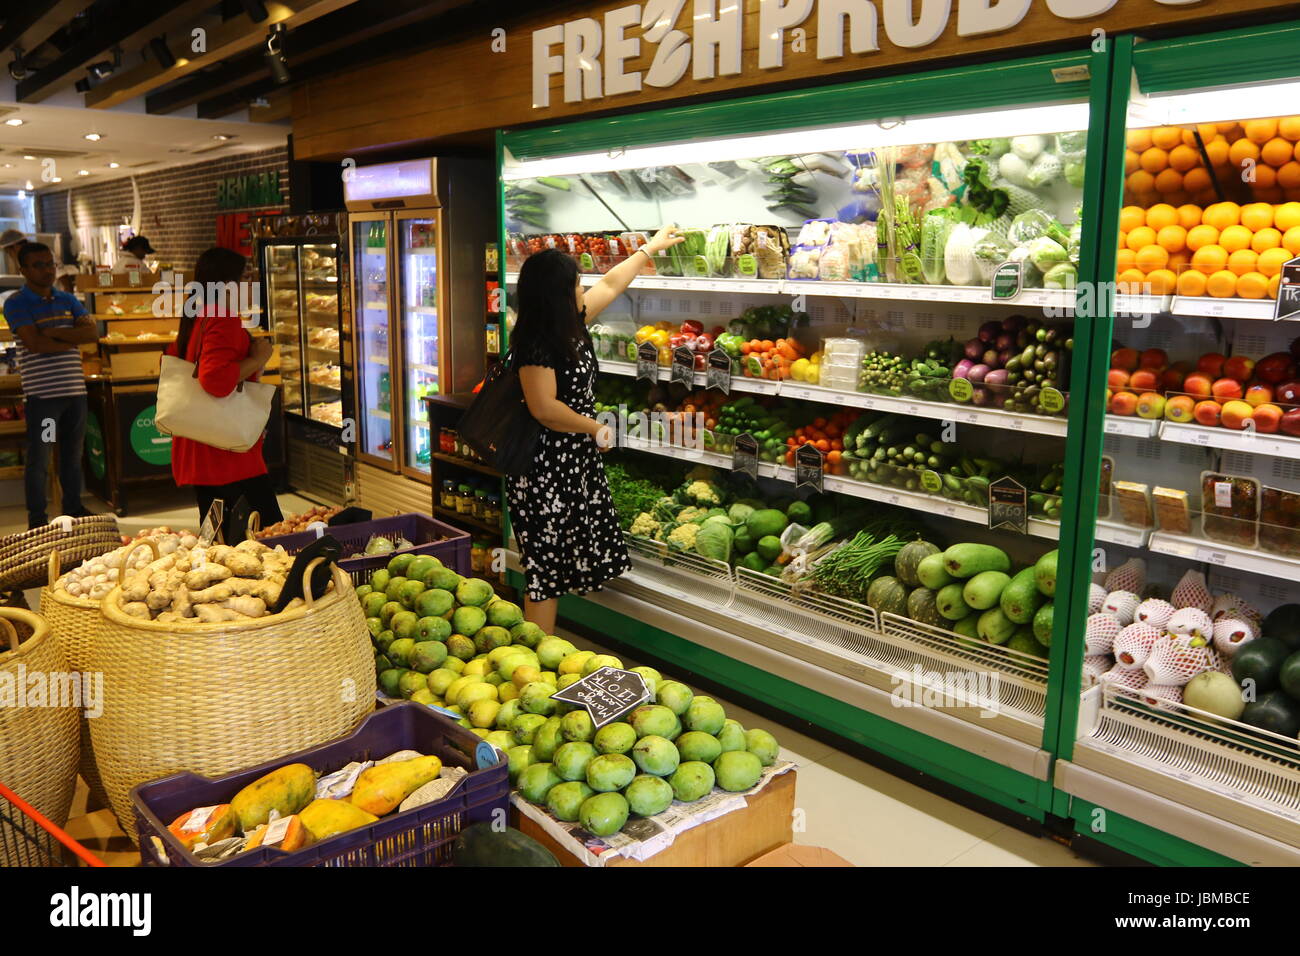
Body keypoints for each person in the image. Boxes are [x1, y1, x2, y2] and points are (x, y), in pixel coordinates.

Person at [509, 227, 684, 633]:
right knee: (545, 568)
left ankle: (539, 644)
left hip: (571, 463)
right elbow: (544, 408)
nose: (582, 286)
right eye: (575, 282)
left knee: (556, 561)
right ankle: (536, 654)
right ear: (557, 292)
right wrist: (595, 427)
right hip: (543, 468)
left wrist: (647, 249)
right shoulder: (536, 342)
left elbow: (611, 281)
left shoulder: (572, 322)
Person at [165, 246, 281, 542]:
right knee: (270, 538)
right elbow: (214, 380)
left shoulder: (198, 313)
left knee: (217, 539)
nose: (249, 282)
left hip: (204, 442)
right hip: (228, 451)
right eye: (246, 276)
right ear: (228, 282)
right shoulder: (222, 316)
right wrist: (258, 358)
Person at [2, 241, 98, 527]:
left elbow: (91, 333)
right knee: (41, 460)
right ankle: (38, 520)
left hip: (75, 395)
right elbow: (34, 343)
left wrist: (53, 332)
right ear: (23, 269)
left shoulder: (67, 299)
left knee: (72, 457)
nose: (47, 271)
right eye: (38, 265)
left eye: (50, 264)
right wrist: (71, 336)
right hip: (45, 400)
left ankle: (73, 509)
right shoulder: (17, 302)